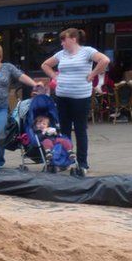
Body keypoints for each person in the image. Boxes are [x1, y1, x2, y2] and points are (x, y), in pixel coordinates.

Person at [41, 28, 109, 174]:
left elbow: (105, 60)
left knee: (80, 129)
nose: (62, 43)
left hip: (80, 97)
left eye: (63, 39)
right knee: (64, 130)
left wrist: (93, 74)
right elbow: (45, 65)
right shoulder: (61, 54)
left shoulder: (87, 51)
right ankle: (64, 161)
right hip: (62, 96)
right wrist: (55, 76)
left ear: (73, 39)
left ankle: (82, 163)